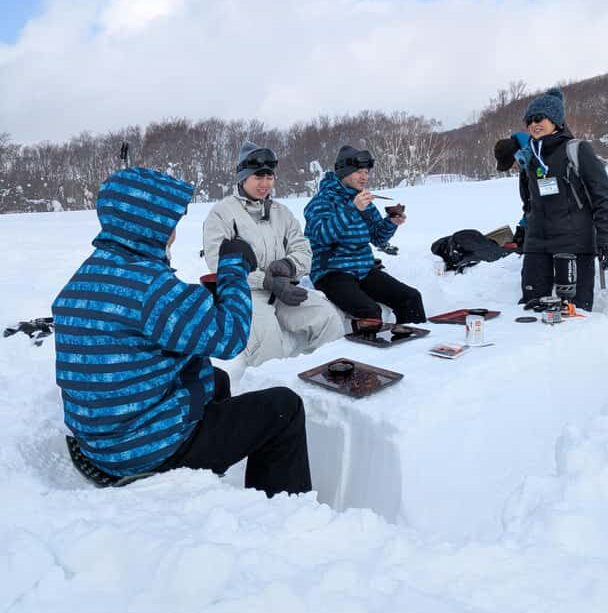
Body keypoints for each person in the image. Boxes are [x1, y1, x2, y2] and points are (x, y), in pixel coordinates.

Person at [52, 166, 311, 497]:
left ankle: (211, 470)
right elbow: (230, 338)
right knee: (283, 408)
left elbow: (151, 314)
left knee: (216, 380)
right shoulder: (151, 288)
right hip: (142, 450)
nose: (174, 232)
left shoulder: (88, 275)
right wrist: (233, 269)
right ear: (149, 225)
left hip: (99, 440)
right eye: (169, 223)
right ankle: (282, 512)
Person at [202, 142, 345, 366]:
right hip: (245, 294)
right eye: (258, 177)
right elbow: (217, 264)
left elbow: (303, 249)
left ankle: (331, 375)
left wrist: (290, 265)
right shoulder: (222, 213)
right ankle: (272, 391)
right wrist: (266, 281)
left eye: (269, 177)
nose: (265, 184)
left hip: (283, 290)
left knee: (327, 317)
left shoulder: (281, 212)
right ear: (243, 177)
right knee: (267, 339)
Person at [303, 145, 426, 325]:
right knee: (370, 312)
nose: (364, 177)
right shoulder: (322, 201)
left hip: (363, 268)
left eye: (367, 172)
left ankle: (412, 348)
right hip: (331, 272)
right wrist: (352, 209)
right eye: (359, 171)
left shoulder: (363, 200)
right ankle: (366, 352)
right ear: (345, 171)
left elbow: (377, 238)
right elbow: (322, 236)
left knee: (411, 298)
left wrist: (391, 223)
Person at [517, 88, 608, 311]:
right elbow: (528, 201)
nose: (534, 124)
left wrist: (605, 240)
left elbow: (602, 198)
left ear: (556, 120)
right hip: (537, 245)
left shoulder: (577, 150)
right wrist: (527, 228)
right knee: (532, 310)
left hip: (574, 243)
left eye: (539, 118)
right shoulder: (529, 156)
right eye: (529, 120)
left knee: (575, 312)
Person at [493, 131, 532, 248]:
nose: (513, 168)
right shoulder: (526, 169)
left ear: (518, 154)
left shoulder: (541, 161)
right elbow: (530, 204)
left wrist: (529, 231)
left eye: (512, 164)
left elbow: (547, 201)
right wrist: (523, 227)